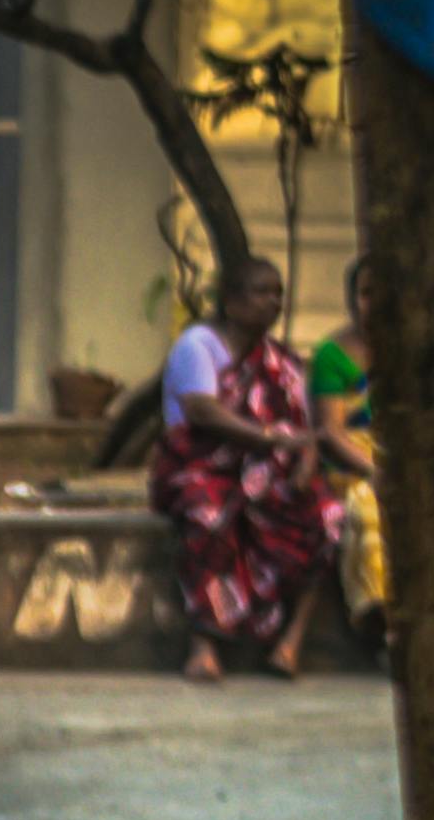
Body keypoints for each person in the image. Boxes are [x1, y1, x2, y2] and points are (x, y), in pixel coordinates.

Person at [151, 257, 368, 682]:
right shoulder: (199, 345)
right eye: (263, 292)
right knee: (208, 515)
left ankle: (290, 644)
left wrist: (306, 460)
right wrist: (268, 437)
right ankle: (204, 647)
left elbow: (306, 425)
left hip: (265, 470)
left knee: (326, 518)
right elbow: (202, 411)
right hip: (203, 464)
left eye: (278, 294)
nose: (275, 303)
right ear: (231, 303)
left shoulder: (278, 359)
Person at [310, 255, 392, 651]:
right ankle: (382, 624)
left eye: (382, 293)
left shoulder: (413, 349)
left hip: (400, 457)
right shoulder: (332, 355)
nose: (372, 304)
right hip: (353, 462)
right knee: (370, 512)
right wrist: (375, 470)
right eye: (364, 294)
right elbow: (331, 432)